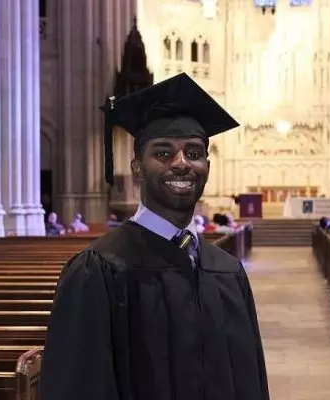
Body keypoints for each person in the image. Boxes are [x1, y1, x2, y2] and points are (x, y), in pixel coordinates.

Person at [39, 72, 270, 400]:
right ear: (137, 169)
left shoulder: (228, 271)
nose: (182, 164)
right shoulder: (99, 270)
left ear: (207, 166)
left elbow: (251, 384)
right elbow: (77, 386)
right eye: (163, 153)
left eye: (194, 153)